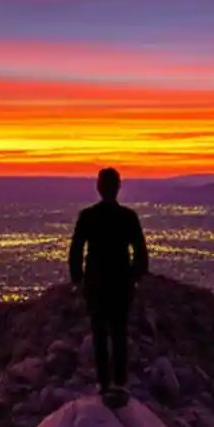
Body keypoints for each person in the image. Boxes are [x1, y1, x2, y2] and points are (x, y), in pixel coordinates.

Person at [69, 167, 149, 406]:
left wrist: (78, 279)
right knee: (119, 332)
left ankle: (104, 384)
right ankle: (120, 383)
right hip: (120, 284)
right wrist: (133, 277)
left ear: (99, 187)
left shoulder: (87, 216)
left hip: (96, 284)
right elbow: (141, 253)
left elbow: (76, 251)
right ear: (118, 187)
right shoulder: (129, 217)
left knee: (100, 334)